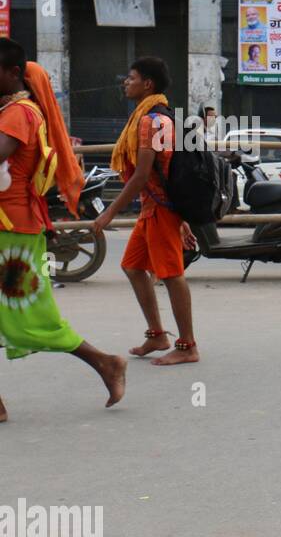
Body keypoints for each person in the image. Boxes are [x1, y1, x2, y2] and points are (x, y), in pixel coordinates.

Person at [0, 39, 126, 422]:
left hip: (12, 230)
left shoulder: (19, 113)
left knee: (33, 319)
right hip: (12, 226)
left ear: (14, 73)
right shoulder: (12, 110)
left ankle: (105, 362)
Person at [91, 56, 200, 366]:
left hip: (160, 209)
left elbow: (142, 175)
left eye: (131, 77)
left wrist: (108, 213)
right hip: (158, 208)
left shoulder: (150, 120)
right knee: (133, 266)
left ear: (147, 84)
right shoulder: (159, 116)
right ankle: (157, 335)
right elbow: (165, 171)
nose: (126, 82)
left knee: (172, 275)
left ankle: (187, 345)